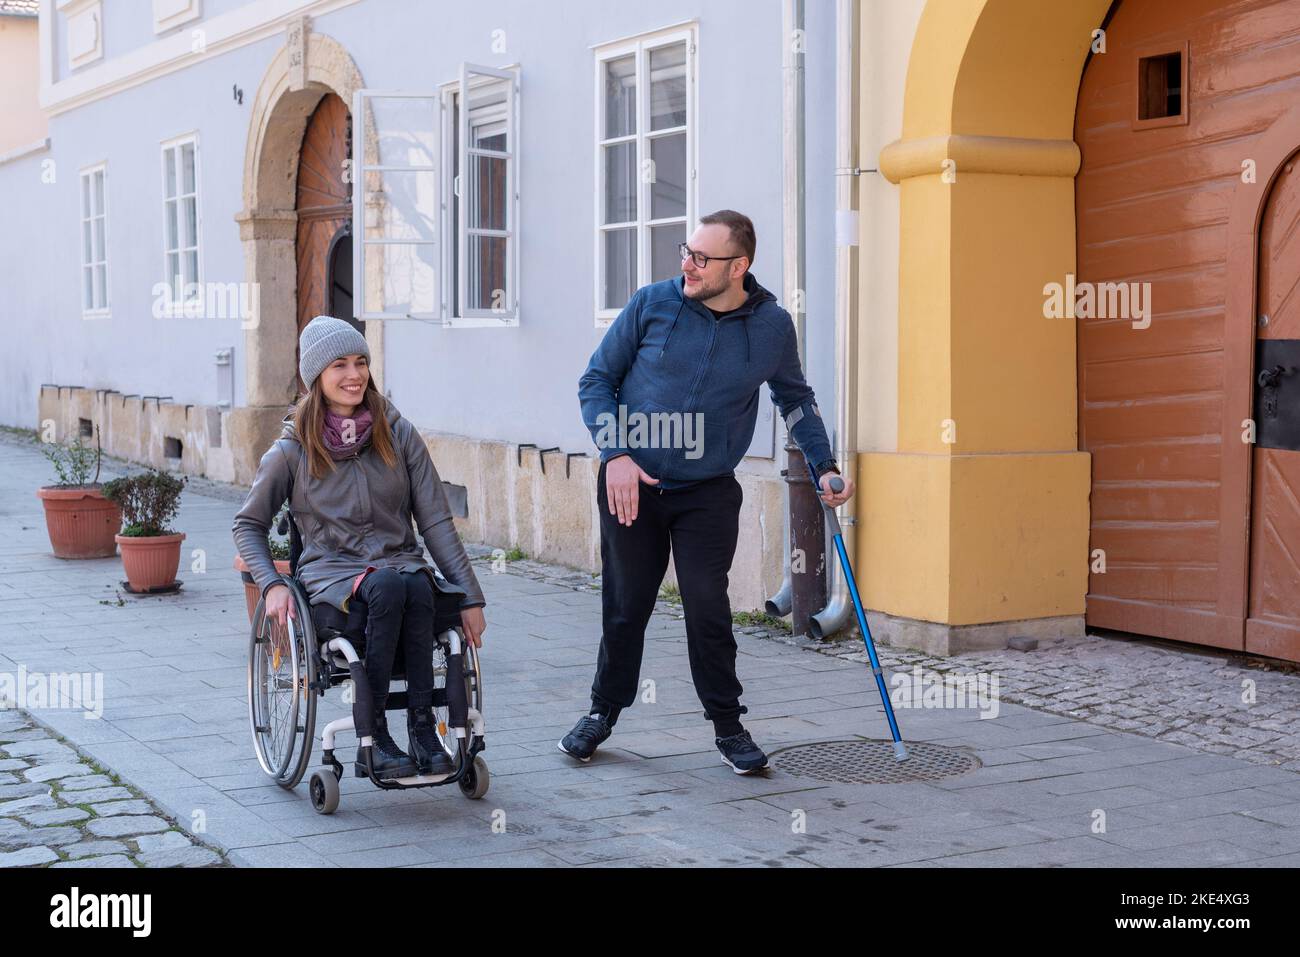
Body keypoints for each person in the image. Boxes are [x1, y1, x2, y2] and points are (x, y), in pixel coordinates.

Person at [563, 209, 855, 774]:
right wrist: (614, 454)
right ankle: (602, 711)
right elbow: (596, 381)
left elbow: (794, 398)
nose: (687, 265)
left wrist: (823, 465)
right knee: (626, 608)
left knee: (707, 607)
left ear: (738, 266)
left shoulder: (771, 326)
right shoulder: (653, 303)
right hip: (633, 484)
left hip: (707, 492)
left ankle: (728, 726)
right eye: (686, 252)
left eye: (702, 258)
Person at [232, 315, 486, 779]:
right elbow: (248, 524)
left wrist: (470, 596)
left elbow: (434, 520)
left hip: (399, 567)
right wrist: (271, 585)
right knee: (392, 584)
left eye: (361, 362)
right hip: (332, 576)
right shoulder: (292, 451)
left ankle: (423, 730)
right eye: (339, 366)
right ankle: (376, 738)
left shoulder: (397, 432)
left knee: (415, 582)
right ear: (316, 378)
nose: (354, 375)